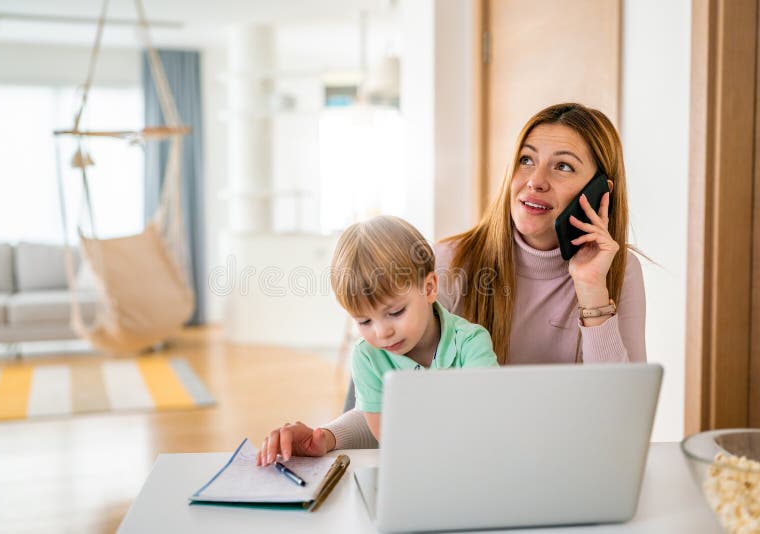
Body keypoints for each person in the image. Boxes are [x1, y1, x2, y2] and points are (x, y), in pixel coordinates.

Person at [256, 102, 646, 462]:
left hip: (567, 465)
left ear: (598, 192)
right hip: (472, 468)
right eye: (526, 160)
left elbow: (623, 418)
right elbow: (396, 407)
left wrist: (591, 287)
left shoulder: (617, 272)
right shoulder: (450, 263)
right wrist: (326, 436)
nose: (534, 181)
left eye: (562, 167)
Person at [256, 215, 499, 466]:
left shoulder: (471, 343)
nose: (382, 333)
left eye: (395, 313)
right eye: (364, 322)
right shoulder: (367, 355)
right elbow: (386, 437)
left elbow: (486, 420)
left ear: (428, 288)